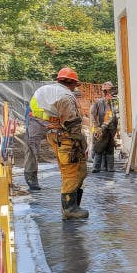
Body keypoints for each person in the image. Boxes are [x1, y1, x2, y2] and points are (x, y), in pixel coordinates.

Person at [30, 67, 89, 219]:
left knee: (80, 171)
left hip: (54, 135)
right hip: (66, 138)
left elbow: (35, 111)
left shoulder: (44, 90)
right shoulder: (65, 96)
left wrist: (50, 121)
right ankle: (69, 209)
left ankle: (74, 205)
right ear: (73, 83)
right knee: (71, 171)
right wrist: (83, 142)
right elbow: (72, 124)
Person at [90, 81, 118, 173]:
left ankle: (109, 168)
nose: (108, 93)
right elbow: (93, 115)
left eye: (110, 91)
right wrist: (98, 127)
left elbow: (112, 116)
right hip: (101, 129)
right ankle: (96, 168)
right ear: (104, 92)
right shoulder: (99, 102)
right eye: (106, 91)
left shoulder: (113, 102)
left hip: (110, 130)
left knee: (110, 148)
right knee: (99, 148)